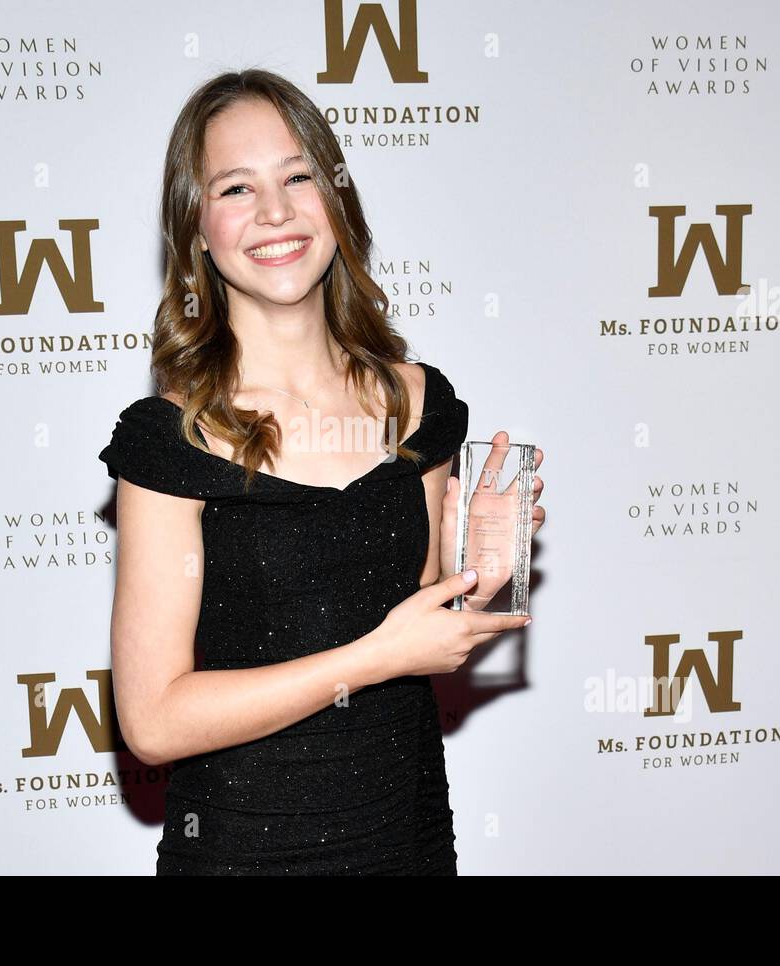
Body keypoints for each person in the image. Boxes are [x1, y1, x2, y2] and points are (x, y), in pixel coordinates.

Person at [98, 69, 546, 875]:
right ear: (196, 227)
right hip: (240, 856)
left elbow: (423, 633)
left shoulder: (419, 404)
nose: (275, 212)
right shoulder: (172, 439)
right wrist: (372, 656)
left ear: (336, 198)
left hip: (403, 841)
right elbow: (154, 720)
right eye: (236, 187)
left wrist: (478, 578)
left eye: (299, 175)